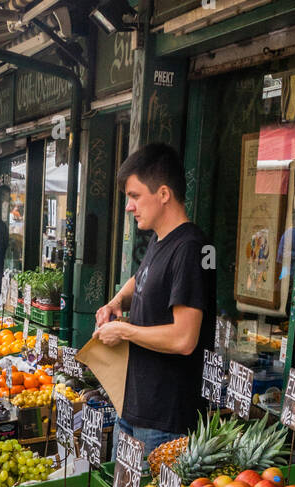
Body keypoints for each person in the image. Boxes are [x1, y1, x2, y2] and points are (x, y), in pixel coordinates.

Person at [93, 143, 216, 455]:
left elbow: (184, 338)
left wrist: (123, 331)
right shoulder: (161, 240)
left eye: (135, 196)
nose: (129, 207)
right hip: (136, 407)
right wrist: (117, 301)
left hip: (165, 420)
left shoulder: (191, 248)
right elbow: (145, 276)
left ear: (163, 194)